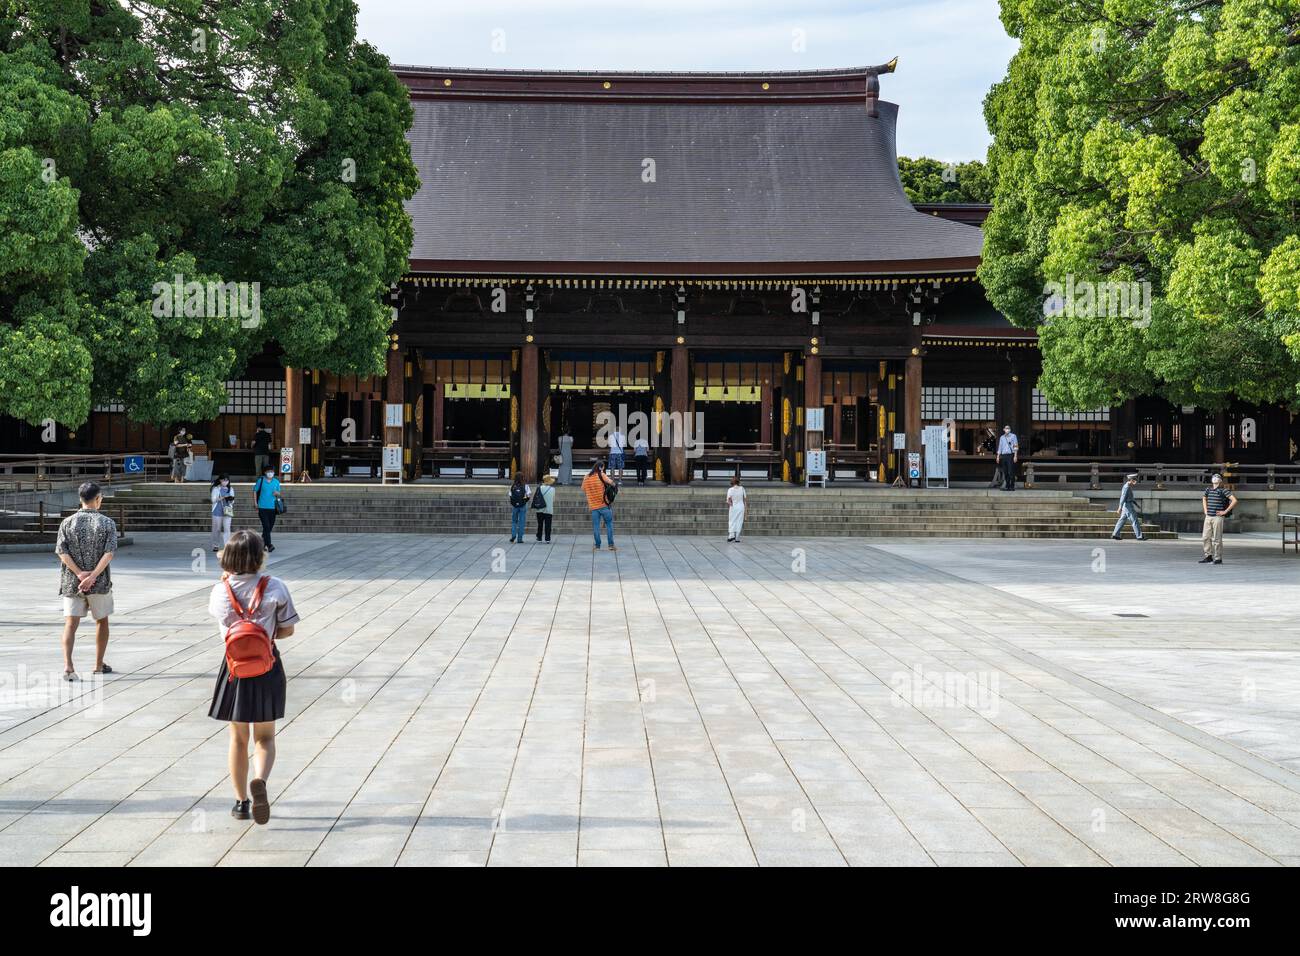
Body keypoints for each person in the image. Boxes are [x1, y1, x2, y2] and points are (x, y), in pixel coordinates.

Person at [208, 530, 298, 824]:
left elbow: (224, 627)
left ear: (227, 557)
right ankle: (260, 779)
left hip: (234, 668)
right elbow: (287, 630)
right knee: (265, 736)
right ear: (260, 557)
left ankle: (240, 803)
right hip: (266, 665)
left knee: (238, 738)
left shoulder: (220, 591)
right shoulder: (276, 587)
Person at [55, 481, 119, 681]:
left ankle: (68, 666)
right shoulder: (107, 522)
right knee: (101, 620)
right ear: (98, 498)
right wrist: (92, 576)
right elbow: (109, 553)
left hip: (71, 582)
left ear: (80, 499)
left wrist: (79, 574)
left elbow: (61, 551)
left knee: (70, 623)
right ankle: (98, 665)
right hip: (99, 582)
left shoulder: (67, 522)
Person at [1199, 473, 1237, 565]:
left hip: (1218, 517)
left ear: (1220, 481)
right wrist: (1205, 510)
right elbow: (1204, 498)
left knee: (1217, 538)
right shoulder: (1208, 489)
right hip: (1208, 516)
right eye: (1214, 477)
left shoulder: (1223, 491)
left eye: (1217, 477)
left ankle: (1218, 558)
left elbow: (1234, 500)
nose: (1215, 478)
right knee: (1205, 537)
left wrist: (1225, 511)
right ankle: (1208, 556)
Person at [583, 461, 617, 552]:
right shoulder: (601, 474)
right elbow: (612, 483)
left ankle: (597, 546)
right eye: (603, 468)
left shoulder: (586, 477)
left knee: (596, 526)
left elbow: (583, 489)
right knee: (609, 525)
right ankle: (610, 545)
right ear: (601, 467)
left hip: (593, 507)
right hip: (604, 505)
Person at [253, 465, 283, 552]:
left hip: (273, 508)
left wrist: (277, 493)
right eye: (268, 471)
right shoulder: (261, 480)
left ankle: (261, 543)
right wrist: (255, 502)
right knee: (266, 526)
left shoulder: (276, 482)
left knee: (269, 527)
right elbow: (255, 491)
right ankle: (269, 545)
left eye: (272, 471)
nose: (270, 473)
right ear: (265, 472)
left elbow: (279, 493)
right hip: (262, 507)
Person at [1111, 473, 1145, 541]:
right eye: (1135, 480)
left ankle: (1115, 534)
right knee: (1134, 520)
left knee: (1122, 520)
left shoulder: (1128, 486)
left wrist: (1136, 504)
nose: (1136, 481)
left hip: (1126, 505)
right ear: (1131, 480)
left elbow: (1130, 497)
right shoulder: (1126, 487)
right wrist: (1119, 507)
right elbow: (1123, 498)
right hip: (1128, 506)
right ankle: (1139, 536)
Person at [210, 474, 235, 552]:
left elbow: (233, 501)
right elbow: (213, 500)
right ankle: (215, 545)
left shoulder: (230, 489)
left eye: (227, 480)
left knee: (227, 528)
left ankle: (227, 545)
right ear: (220, 480)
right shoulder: (216, 489)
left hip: (227, 511)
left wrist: (230, 499)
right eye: (224, 480)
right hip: (217, 510)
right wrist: (222, 498)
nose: (225, 482)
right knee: (216, 529)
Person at [508, 472, 531, 543]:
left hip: (515, 506)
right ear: (522, 478)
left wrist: (514, 503)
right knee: (521, 522)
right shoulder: (526, 486)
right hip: (523, 505)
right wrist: (525, 501)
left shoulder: (512, 486)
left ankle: (513, 535)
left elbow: (510, 495)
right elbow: (529, 495)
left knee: (514, 521)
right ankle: (520, 538)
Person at [995, 424, 1019, 491]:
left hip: (1010, 455)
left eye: (1008, 428)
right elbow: (1000, 447)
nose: (1007, 429)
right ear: (1004, 429)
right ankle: (1007, 485)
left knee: (1011, 471)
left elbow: (1015, 446)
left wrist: (1015, 456)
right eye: (1006, 428)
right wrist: (998, 456)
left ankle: (1012, 486)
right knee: (1005, 471)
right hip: (1004, 456)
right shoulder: (1002, 437)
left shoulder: (1013, 436)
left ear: (1010, 429)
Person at [533, 474, 556, 542]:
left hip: (539, 508)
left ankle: (539, 537)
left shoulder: (539, 488)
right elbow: (553, 500)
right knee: (548, 524)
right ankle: (547, 538)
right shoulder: (553, 489)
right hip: (549, 509)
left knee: (540, 524)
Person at [726, 476, 746, 542]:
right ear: (738, 482)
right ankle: (737, 537)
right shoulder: (742, 488)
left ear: (732, 482)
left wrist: (731, 505)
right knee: (739, 521)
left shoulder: (730, 490)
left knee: (732, 520)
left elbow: (728, 500)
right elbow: (745, 499)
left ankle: (731, 535)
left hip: (733, 506)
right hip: (741, 506)